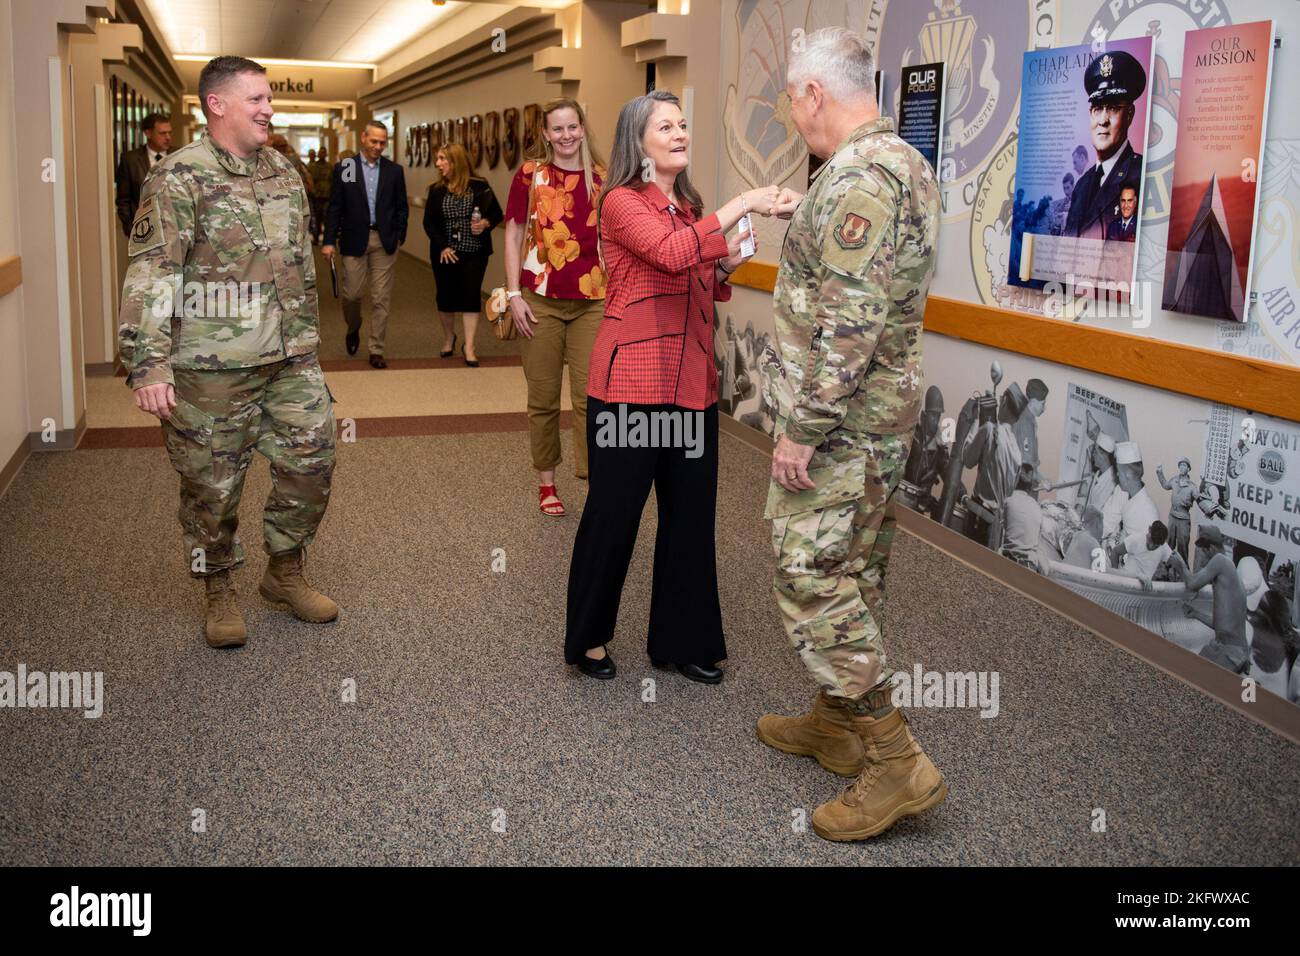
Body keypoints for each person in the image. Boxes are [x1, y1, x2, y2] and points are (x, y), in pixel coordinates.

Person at [754, 27, 944, 843]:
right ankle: (835, 723)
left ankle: (893, 756)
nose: (794, 116)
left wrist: (801, 431)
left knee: (810, 577)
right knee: (855, 568)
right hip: (877, 424)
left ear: (813, 95)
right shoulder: (902, 162)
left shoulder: (861, 179)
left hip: (841, 429)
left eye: (792, 101)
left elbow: (850, 325)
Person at [117, 55, 337, 649]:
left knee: (313, 461)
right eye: (257, 99)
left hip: (289, 358)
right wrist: (149, 361)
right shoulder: (178, 177)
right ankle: (217, 585)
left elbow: (297, 264)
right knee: (212, 487)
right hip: (209, 370)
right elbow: (153, 271)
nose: (269, 108)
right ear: (217, 105)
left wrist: (306, 343)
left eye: (269, 99)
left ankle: (284, 571)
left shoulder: (285, 172)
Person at [563, 89, 777, 684]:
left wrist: (726, 264)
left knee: (689, 518)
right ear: (639, 140)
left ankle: (681, 642)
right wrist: (744, 202)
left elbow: (695, 273)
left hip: (691, 388)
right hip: (632, 386)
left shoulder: (689, 205)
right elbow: (667, 253)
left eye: (684, 124)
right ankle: (587, 639)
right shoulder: (621, 202)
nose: (681, 133)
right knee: (615, 516)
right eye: (666, 126)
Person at [503, 98, 607, 516]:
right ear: (545, 134)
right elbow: (512, 235)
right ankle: (547, 483)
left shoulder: (603, 178)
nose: (566, 136)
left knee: (590, 397)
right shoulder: (531, 175)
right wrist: (513, 295)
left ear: (582, 128)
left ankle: (594, 478)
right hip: (539, 301)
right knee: (544, 397)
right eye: (557, 129)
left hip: (594, 302)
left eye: (572, 127)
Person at [322, 121, 409, 369]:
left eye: (383, 142)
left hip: (384, 241)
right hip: (353, 238)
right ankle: (353, 327)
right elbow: (335, 207)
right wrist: (329, 241)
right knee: (352, 295)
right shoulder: (347, 167)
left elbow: (401, 206)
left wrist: (399, 234)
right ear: (363, 138)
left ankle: (376, 350)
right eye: (374, 141)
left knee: (381, 297)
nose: (378, 147)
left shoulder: (394, 171)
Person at [424, 143, 504, 365]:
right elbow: (429, 223)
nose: (438, 164)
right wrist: (442, 246)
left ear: (456, 161)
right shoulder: (435, 190)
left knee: (470, 296)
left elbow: (497, 213)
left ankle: (469, 346)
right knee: (445, 297)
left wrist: (486, 223)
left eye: (443, 159)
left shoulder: (479, 186)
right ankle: (449, 337)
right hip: (444, 253)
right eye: (437, 159)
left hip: (474, 253)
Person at [1064, 50, 1146, 239]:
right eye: (1098, 108)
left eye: (1113, 108)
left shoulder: (1141, 175)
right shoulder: (1082, 185)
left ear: (1130, 114)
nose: (1103, 120)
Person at [1166, 526, 1251, 673]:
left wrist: (1180, 565)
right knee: (1192, 671)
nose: (1203, 558)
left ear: (1210, 548)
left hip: (1230, 651)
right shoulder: (1231, 573)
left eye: (1203, 552)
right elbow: (1224, 625)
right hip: (1233, 649)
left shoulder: (1220, 561)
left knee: (1191, 676)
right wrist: (1195, 614)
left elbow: (1192, 584)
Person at [115, 112, 173, 237]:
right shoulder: (130, 160)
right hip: (143, 232)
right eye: (162, 133)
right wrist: (131, 230)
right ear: (148, 133)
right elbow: (123, 200)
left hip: (177, 231)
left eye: (169, 132)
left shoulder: (179, 155)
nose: (168, 137)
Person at [1102, 440, 1159, 555]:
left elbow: (1142, 555)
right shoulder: (1121, 491)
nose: (1116, 475)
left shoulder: (1149, 513)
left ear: (1128, 474)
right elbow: (1106, 522)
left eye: (1118, 471)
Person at [1001, 463, 1043, 569]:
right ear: (1031, 487)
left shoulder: (1007, 501)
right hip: (1030, 567)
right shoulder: (1038, 508)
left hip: (1009, 562)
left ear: (1015, 481)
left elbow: (998, 534)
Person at [1156, 456, 1195, 562]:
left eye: (1184, 465)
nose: (1182, 467)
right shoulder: (1174, 480)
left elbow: (1199, 499)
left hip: (1183, 520)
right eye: (1181, 465)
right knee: (1169, 545)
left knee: (1182, 548)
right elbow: (1165, 485)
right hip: (1173, 517)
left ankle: (1182, 574)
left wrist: (1209, 508)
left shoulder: (1192, 486)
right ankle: (1166, 570)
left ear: (1188, 469)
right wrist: (1159, 472)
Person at [1113, 519, 1172, 586]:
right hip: (1126, 581)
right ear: (1149, 529)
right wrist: (1115, 578)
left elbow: (1176, 563)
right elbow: (1115, 552)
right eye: (1151, 540)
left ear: (1162, 543)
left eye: (1155, 546)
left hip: (1144, 586)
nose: (1151, 546)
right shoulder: (1135, 539)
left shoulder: (1164, 547)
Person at [308, 146, 332, 244]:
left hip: (327, 196)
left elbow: (333, 181)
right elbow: (310, 181)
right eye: (320, 152)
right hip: (317, 196)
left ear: (326, 154)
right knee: (317, 218)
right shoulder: (313, 167)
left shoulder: (330, 166)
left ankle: (327, 238)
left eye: (324, 152)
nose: (322, 154)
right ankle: (316, 237)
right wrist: (312, 193)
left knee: (327, 218)